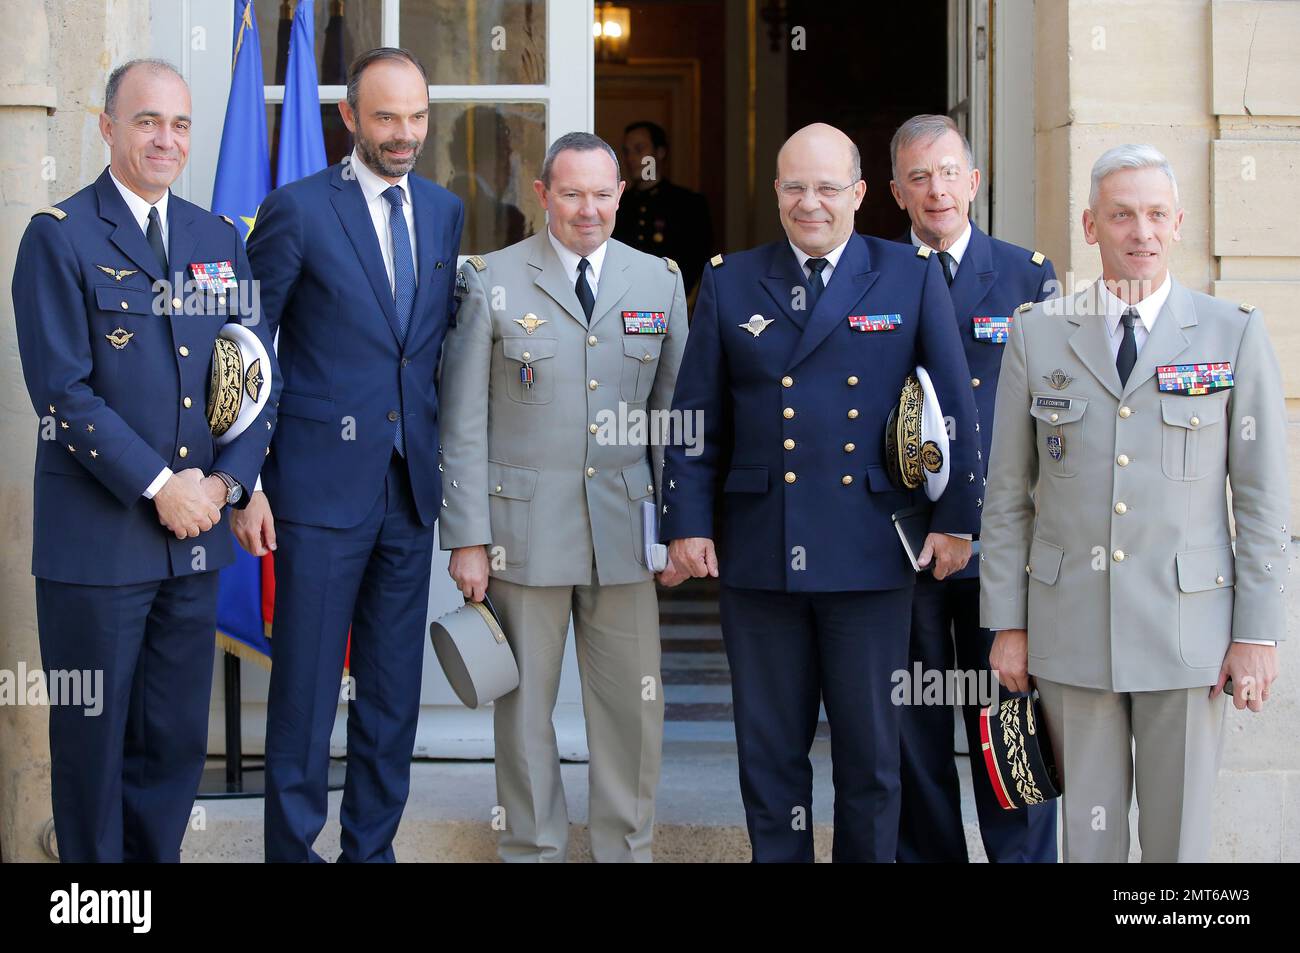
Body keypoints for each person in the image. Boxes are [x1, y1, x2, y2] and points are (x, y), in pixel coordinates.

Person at [660, 122, 982, 862]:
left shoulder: (908, 274)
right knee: (770, 755)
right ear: (776, 193)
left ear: (861, 194)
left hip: (870, 553)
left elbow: (957, 409)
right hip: (759, 553)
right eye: (796, 187)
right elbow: (693, 415)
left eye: (828, 187)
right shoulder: (734, 278)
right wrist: (686, 519)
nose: (812, 203)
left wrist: (958, 518)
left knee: (872, 760)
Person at [980, 144, 1286, 862]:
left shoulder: (1231, 331)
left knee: (1178, 846)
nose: (1140, 231)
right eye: (1121, 215)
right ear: (1090, 226)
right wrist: (1008, 622)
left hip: (1189, 631)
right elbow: (1007, 495)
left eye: (1154, 214)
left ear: (1179, 223)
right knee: (1089, 842)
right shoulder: (1037, 331)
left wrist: (1258, 633)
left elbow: (1265, 497)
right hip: (1070, 631)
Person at [11, 59, 279, 862]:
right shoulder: (59, 235)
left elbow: (254, 369)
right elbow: (63, 392)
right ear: (106, 126)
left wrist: (232, 482)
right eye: (147, 121)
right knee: (93, 749)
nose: (167, 139)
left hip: (193, 539)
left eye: (181, 124)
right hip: (99, 541)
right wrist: (163, 486)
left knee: (169, 743)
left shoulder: (216, 238)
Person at [233, 48, 465, 862]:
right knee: (301, 698)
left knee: (392, 696)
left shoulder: (444, 210)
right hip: (316, 492)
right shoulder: (295, 209)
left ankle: (371, 851)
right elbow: (247, 347)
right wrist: (246, 482)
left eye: (416, 117)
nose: (404, 135)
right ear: (349, 118)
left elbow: (426, 349)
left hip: (408, 492)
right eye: (386, 117)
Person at [440, 131, 687, 862]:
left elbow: (676, 423)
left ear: (621, 195)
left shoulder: (658, 281)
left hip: (624, 535)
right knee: (523, 716)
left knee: (633, 712)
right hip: (521, 535)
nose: (589, 209)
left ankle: (625, 851)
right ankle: (533, 849)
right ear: (544, 195)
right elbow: (462, 421)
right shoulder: (492, 278)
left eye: (602, 193)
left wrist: (680, 528)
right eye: (572, 193)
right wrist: (467, 536)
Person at [887, 114, 1058, 863]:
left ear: (975, 182)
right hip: (902, 546)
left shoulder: (1030, 277)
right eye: (918, 176)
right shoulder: (871, 274)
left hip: (1004, 548)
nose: (936, 189)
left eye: (948, 172)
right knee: (912, 734)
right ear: (894, 191)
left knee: (1010, 728)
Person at [612, 121, 713, 296]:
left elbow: (696, 261)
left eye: (639, 149)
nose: (631, 158)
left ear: (660, 152)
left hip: (671, 297)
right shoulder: (617, 203)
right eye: (627, 152)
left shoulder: (688, 203)